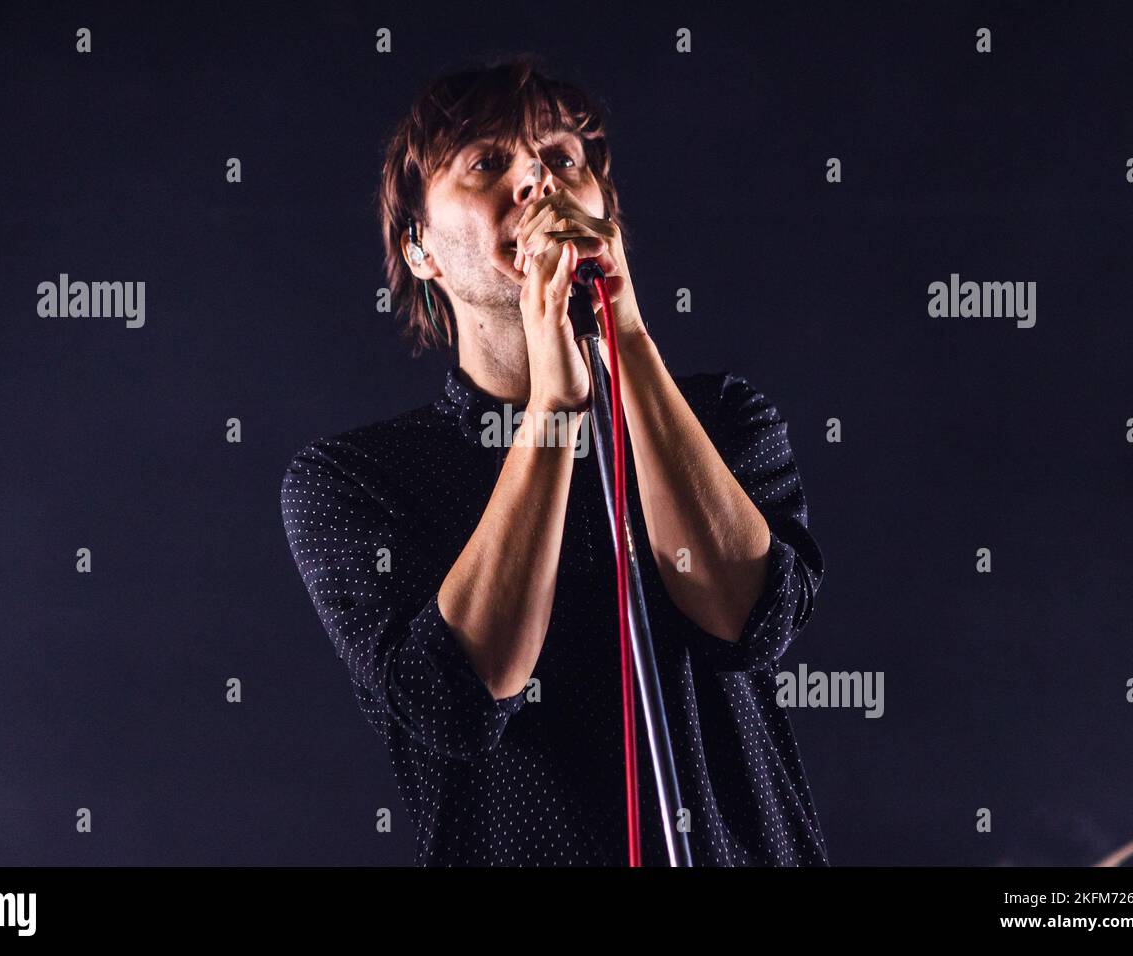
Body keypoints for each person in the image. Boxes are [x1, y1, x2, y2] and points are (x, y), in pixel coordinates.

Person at [280, 54, 829, 866]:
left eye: (562, 159)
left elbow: (752, 622)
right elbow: (461, 699)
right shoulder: (354, 479)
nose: (538, 183)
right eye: (489, 163)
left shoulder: (724, 417)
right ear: (421, 248)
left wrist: (630, 343)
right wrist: (551, 413)